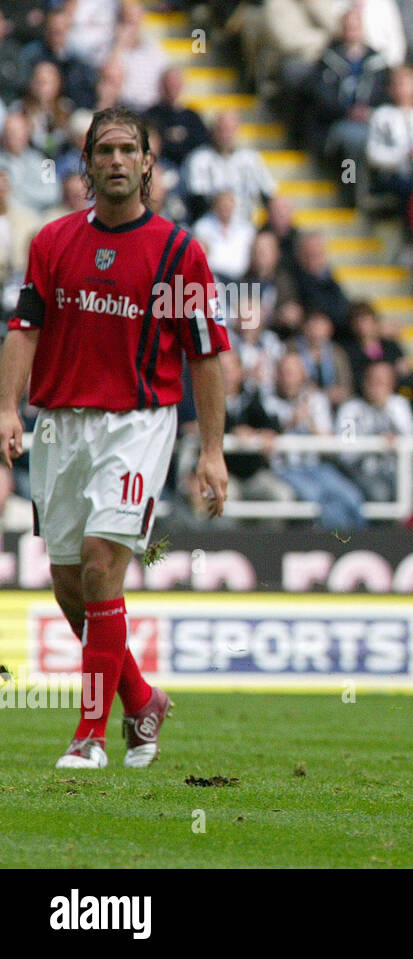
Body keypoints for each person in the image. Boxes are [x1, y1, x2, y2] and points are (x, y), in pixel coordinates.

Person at [0, 106, 230, 769]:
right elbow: (25, 330)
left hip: (137, 420)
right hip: (60, 423)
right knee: (70, 584)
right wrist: (9, 408)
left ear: (149, 163)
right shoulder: (53, 242)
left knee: (103, 562)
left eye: (130, 149)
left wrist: (211, 450)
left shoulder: (178, 251)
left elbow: (206, 353)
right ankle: (140, 696)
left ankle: (90, 735)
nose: (118, 160)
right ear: (88, 162)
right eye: (106, 150)